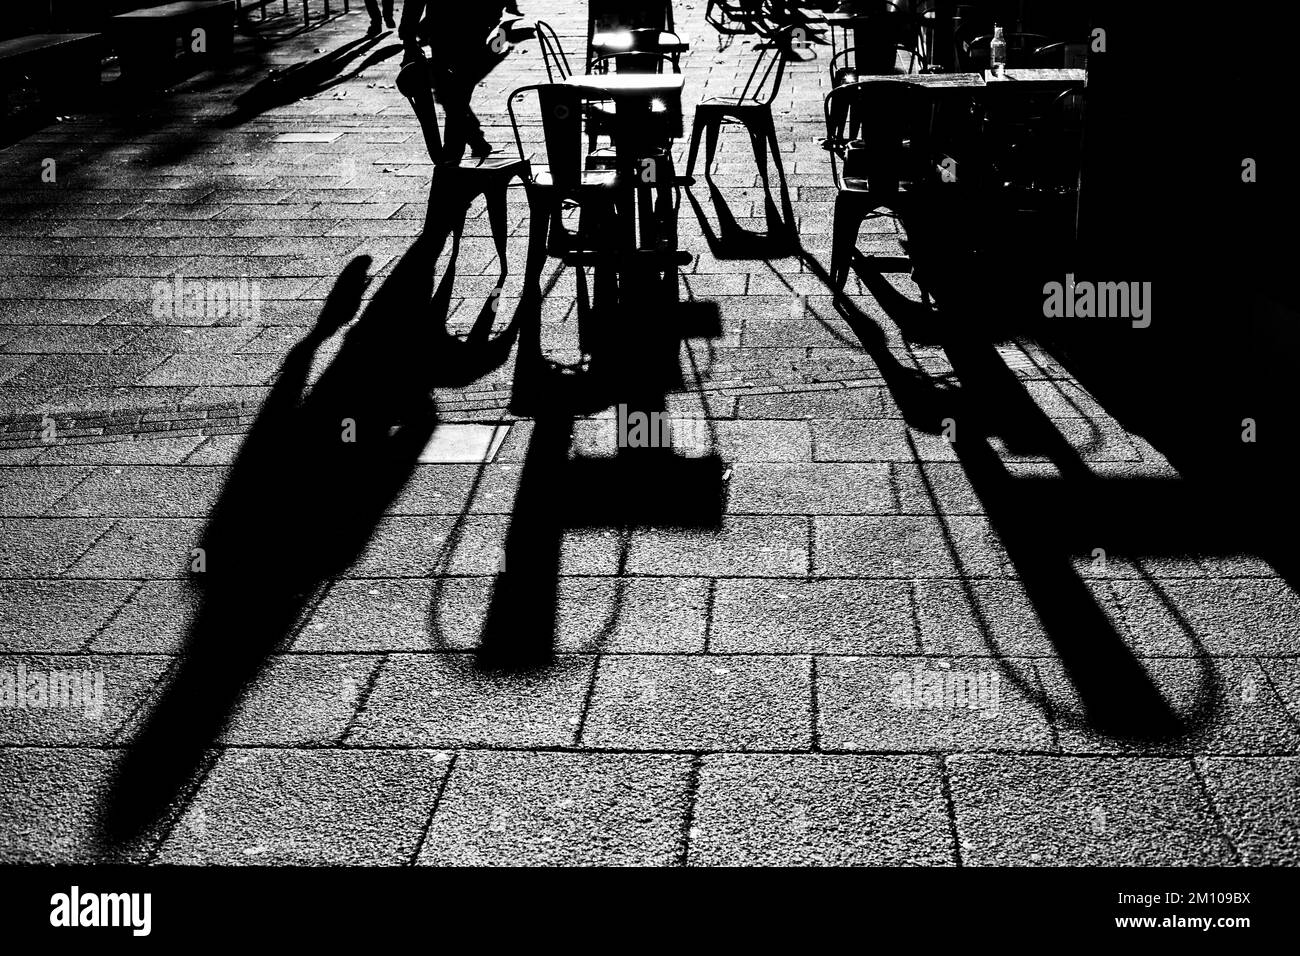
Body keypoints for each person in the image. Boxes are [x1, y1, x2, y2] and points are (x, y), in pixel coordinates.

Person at [397, 0, 512, 159]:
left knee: (454, 90)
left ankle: (459, 148)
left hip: (456, 26)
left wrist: (408, 36)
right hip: (461, 26)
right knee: (456, 89)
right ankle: (469, 143)